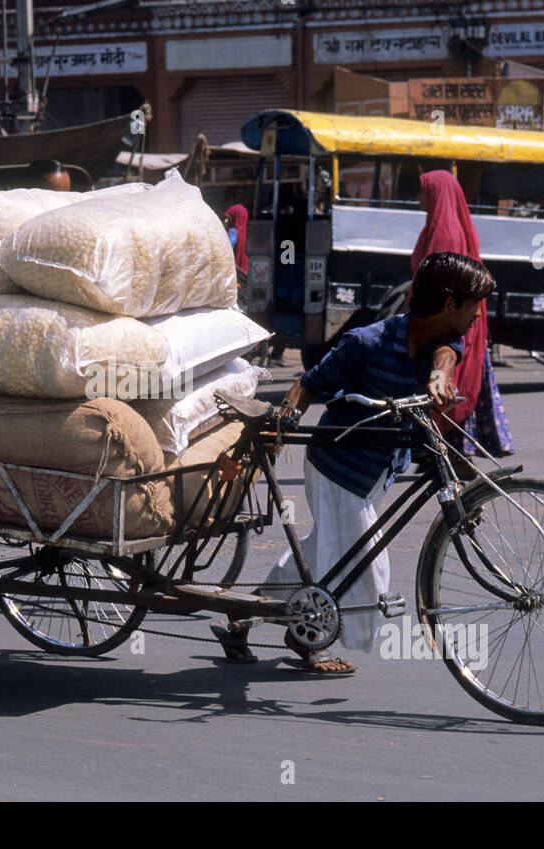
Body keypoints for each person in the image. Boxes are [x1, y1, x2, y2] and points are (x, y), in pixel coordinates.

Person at [210, 251, 492, 674]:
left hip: (375, 472)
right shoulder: (368, 342)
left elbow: (446, 356)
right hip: (337, 465)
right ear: (450, 304)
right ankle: (308, 638)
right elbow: (308, 384)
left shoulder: (444, 339)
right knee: (366, 564)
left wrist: (440, 376)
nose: (478, 315)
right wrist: (282, 425)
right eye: (474, 305)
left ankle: (241, 616)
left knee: (323, 553)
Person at [407, 169, 513, 461]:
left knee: (450, 382)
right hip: (451, 322)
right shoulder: (437, 226)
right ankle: (451, 456)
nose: (418, 199)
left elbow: (439, 290)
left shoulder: (445, 233)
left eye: (422, 192)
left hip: (449, 324)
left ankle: (450, 456)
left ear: (436, 195)